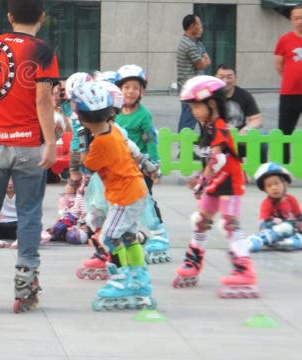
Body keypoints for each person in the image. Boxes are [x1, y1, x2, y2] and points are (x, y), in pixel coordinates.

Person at [0, 0, 58, 314]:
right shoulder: (42, 50)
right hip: (26, 145)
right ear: (42, 17)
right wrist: (50, 141)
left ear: (9, 16)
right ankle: (25, 280)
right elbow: (43, 99)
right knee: (29, 212)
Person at [71, 80, 155, 311]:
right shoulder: (115, 131)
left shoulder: (100, 144)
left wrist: (83, 147)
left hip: (124, 197)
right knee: (128, 236)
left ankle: (121, 279)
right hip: (136, 191)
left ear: (83, 119)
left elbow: (87, 167)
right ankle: (140, 279)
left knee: (108, 236)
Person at [172, 75, 258, 298]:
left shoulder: (218, 127)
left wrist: (201, 180)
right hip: (216, 182)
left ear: (211, 104)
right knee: (201, 221)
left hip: (230, 182)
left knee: (229, 224)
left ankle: (244, 270)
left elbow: (217, 160)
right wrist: (201, 178)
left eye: (196, 107)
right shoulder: (208, 127)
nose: (193, 112)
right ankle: (193, 263)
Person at [115, 65, 170, 264]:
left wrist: (154, 165)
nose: (130, 91)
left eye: (135, 88)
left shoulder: (143, 115)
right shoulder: (115, 113)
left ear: (142, 92)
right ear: (119, 90)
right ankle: (133, 236)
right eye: (126, 87)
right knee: (123, 205)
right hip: (120, 169)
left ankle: (159, 234)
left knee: (146, 201)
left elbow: (150, 140)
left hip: (141, 167)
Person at [247, 162, 301, 252]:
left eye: (277, 183)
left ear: (285, 184)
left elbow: (299, 217)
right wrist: (273, 222)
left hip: (292, 232)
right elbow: (262, 225)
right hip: (274, 232)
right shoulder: (267, 203)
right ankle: (256, 241)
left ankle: (291, 243)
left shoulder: (292, 200)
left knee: (291, 228)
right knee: (285, 227)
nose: (274, 188)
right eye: (269, 186)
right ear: (265, 189)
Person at [274, 4, 302, 163]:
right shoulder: (284, 40)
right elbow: (279, 65)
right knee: (284, 132)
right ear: (291, 20)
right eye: (296, 18)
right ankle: (282, 166)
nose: (300, 21)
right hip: (289, 94)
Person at [176, 14, 211, 131]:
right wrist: (203, 60)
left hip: (196, 86)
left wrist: (203, 60)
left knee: (202, 112)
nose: (201, 27)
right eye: (199, 24)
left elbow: (208, 60)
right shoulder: (188, 44)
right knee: (189, 115)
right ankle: (184, 144)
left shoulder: (197, 43)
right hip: (189, 88)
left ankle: (205, 141)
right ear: (192, 26)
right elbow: (201, 64)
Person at [213, 64, 262, 134]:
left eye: (229, 77)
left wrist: (245, 130)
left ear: (235, 78)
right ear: (215, 78)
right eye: (221, 77)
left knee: (262, 132)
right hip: (218, 134)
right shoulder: (210, 96)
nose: (225, 81)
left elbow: (256, 119)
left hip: (240, 135)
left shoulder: (244, 95)